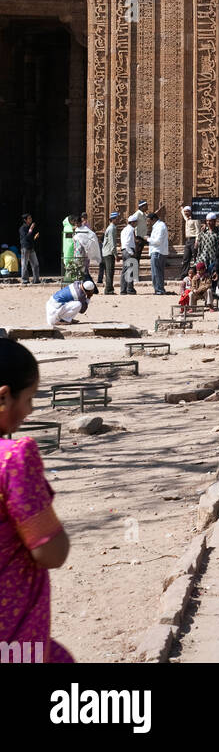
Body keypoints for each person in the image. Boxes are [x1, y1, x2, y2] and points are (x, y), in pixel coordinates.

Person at [0, 339, 73, 662]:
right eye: (29, 399)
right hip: (14, 638)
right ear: (4, 396)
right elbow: (49, 551)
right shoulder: (14, 459)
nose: (30, 412)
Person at [147, 208, 169, 296]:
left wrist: (147, 239)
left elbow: (158, 241)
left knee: (156, 273)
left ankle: (159, 290)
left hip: (157, 252)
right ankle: (159, 289)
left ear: (153, 219)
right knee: (158, 272)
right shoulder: (158, 226)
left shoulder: (160, 226)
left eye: (149, 221)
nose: (148, 223)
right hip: (158, 251)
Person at [72, 216, 101, 282]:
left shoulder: (85, 229)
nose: (76, 225)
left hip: (84, 253)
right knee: (78, 268)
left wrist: (88, 246)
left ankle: (85, 283)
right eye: (75, 223)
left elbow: (92, 236)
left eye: (77, 223)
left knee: (84, 269)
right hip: (77, 253)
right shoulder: (76, 230)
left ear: (80, 222)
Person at [100, 212, 120, 295]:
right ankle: (109, 290)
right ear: (113, 219)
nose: (118, 220)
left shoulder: (110, 228)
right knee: (109, 271)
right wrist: (116, 255)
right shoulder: (112, 228)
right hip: (109, 253)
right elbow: (112, 243)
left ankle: (108, 289)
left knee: (108, 271)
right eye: (117, 218)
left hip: (106, 252)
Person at [179, 205, 200, 277]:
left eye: (187, 211)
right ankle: (183, 275)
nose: (185, 213)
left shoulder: (195, 219)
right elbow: (183, 214)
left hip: (193, 240)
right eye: (185, 212)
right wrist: (181, 207)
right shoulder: (187, 219)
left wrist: (197, 242)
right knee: (185, 258)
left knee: (195, 258)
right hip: (188, 241)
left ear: (190, 212)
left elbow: (198, 231)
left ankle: (197, 274)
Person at [18, 214, 40, 285]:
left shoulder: (29, 228)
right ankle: (24, 280)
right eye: (29, 218)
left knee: (35, 264)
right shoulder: (22, 228)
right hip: (25, 248)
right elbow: (26, 238)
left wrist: (35, 237)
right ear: (25, 220)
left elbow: (30, 238)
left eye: (31, 218)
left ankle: (36, 280)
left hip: (31, 248)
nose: (31, 219)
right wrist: (31, 229)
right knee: (24, 264)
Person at [120, 215, 138, 294]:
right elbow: (127, 242)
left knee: (125, 271)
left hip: (124, 250)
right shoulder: (130, 230)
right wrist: (131, 252)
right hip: (129, 250)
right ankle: (130, 289)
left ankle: (123, 289)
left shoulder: (124, 229)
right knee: (130, 271)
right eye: (136, 222)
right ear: (133, 222)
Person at [132, 200, 149, 268]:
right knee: (136, 256)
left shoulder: (143, 214)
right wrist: (135, 238)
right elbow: (131, 224)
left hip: (143, 238)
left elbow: (151, 216)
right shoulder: (137, 214)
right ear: (142, 207)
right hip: (138, 238)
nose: (147, 207)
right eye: (146, 206)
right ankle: (134, 275)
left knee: (138, 256)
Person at [61, 214, 76, 278]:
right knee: (68, 263)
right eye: (73, 221)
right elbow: (70, 233)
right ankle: (68, 278)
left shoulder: (70, 226)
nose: (74, 223)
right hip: (68, 248)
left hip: (72, 247)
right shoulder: (67, 227)